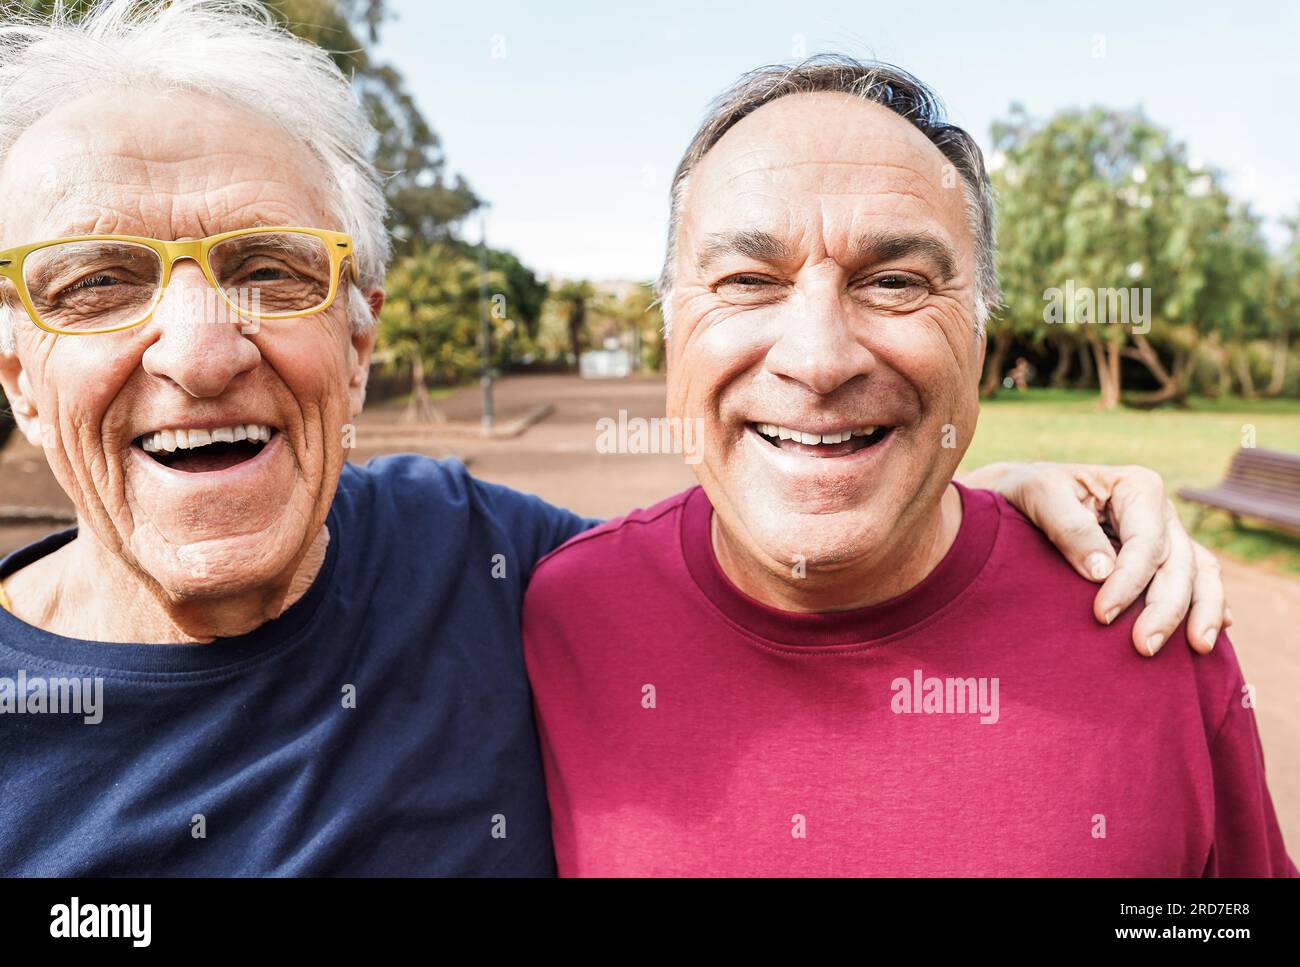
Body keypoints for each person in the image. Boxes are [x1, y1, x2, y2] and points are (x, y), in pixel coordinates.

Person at [0, 1, 1231, 875]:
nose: (201, 350)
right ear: (20, 375)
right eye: (95, 283)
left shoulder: (481, 564)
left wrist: (981, 498)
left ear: (361, 337)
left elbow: (761, 552)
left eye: (273, 271)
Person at [521, 56, 1295, 877]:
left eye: (895, 282)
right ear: (674, 333)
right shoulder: (559, 616)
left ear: (979, 343)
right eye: (748, 281)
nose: (818, 360)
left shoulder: (1151, 622)